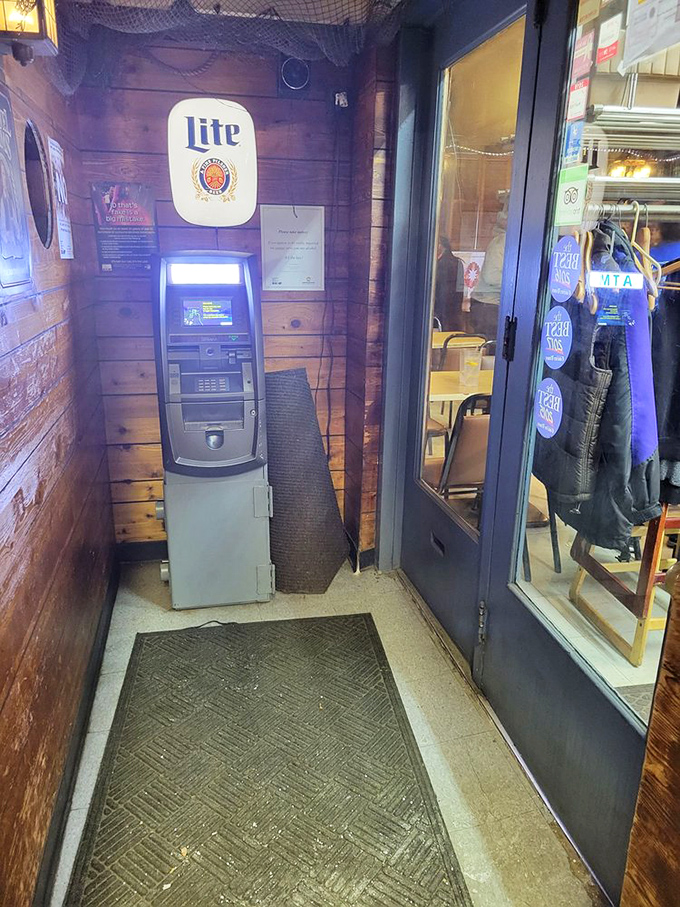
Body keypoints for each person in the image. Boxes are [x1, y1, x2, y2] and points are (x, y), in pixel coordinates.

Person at [469, 206, 507, 340]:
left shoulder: (505, 241)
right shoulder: (502, 242)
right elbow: (492, 276)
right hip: (489, 306)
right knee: (491, 350)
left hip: (489, 304)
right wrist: (519, 287)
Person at [433, 236, 466, 331]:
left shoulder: (442, 264)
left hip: (442, 313)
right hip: (454, 312)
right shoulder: (457, 262)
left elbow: (442, 293)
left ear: (440, 246)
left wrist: (437, 314)